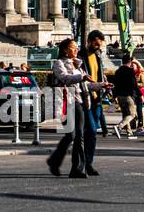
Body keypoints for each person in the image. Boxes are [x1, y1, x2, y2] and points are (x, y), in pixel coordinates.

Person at [46, 38, 110, 178]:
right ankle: (69, 166)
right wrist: (81, 77)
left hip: (79, 101)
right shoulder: (59, 63)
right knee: (75, 135)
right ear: (65, 50)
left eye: (76, 47)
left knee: (75, 135)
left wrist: (101, 85)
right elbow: (65, 78)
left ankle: (65, 164)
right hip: (66, 102)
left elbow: (85, 85)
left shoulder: (78, 66)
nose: (76, 50)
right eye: (73, 47)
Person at [81, 30, 108, 136]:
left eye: (100, 44)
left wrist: (104, 84)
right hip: (86, 91)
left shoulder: (97, 56)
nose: (98, 46)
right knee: (91, 123)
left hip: (97, 92)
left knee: (96, 116)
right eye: (96, 44)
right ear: (89, 42)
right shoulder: (82, 55)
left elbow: (99, 73)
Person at [111, 54, 140, 139]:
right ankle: (119, 126)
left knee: (125, 114)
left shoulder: (118, 71)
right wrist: (140, 94)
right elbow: (134, 84)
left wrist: (114, 96)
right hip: (127, 95)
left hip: (119, 96)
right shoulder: (130, 71)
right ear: (130, 62)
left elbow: (114, 85)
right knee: (132, 114)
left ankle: (129, 132)